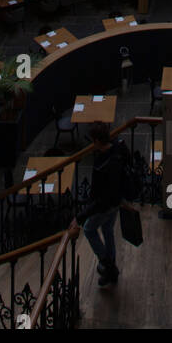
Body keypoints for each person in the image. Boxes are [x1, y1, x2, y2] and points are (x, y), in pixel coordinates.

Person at [70, 123, 126, 288]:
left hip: (105, 205)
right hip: (117, 201)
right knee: (108, 230)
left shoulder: (102, 165)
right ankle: (111, 265)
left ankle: (108, 265)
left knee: (89, 229)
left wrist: (80, 217)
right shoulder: (118, 149)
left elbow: (99, 199)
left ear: (96, 141)